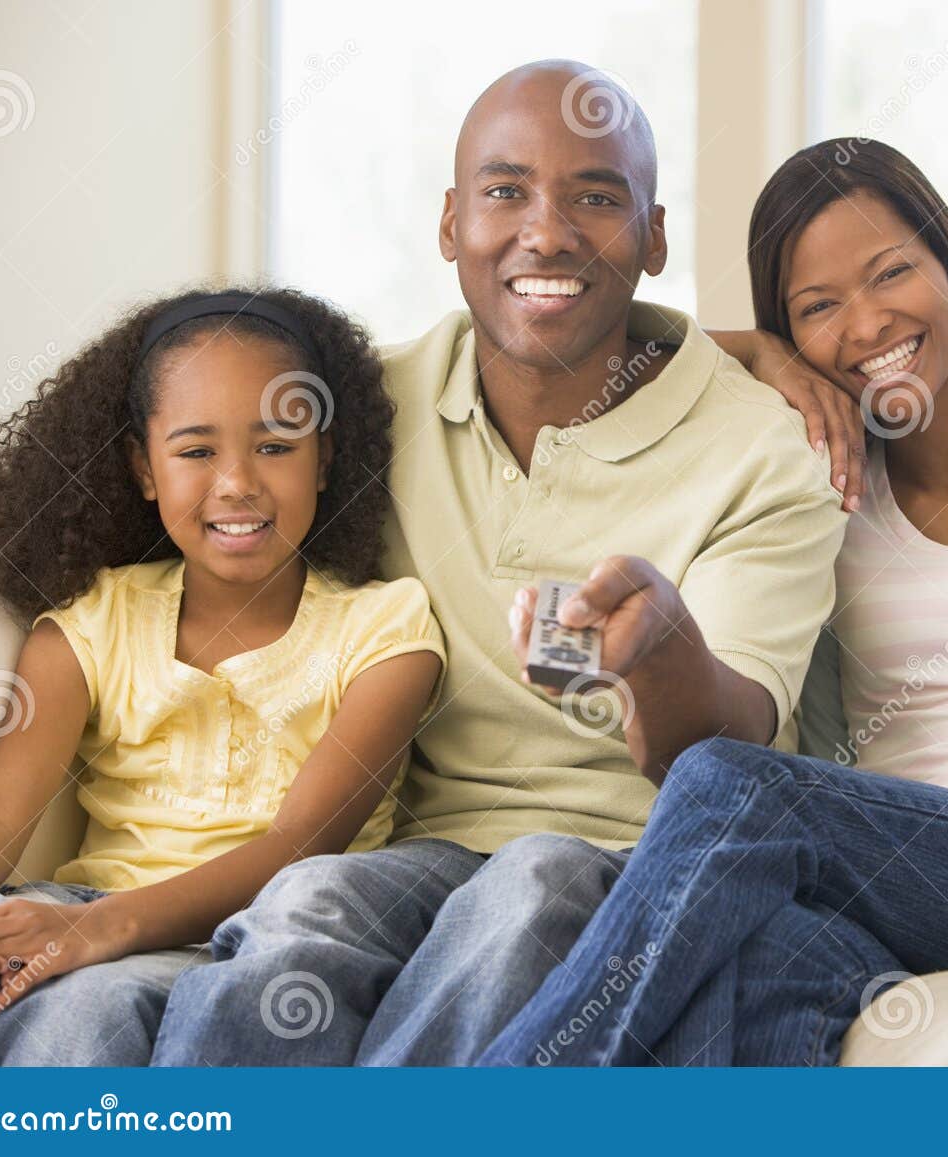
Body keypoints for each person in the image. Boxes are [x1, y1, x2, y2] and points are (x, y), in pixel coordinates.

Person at [145, 62, 849, 1066]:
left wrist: (660, 649)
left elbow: (733, 748)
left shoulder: (762, 453)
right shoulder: (365, 408)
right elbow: (172, 453)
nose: (548, 230)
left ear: (653, 239)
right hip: (423, 850)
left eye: (596, 197)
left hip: (631, 859)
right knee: (305, 897)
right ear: (450, 224)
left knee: (529, 889)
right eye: (506, 190)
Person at [477, 138, 948, 1066]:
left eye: (891, 274)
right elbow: (595, 349)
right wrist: (761, 356)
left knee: (728, 783)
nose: (867, 325)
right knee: (755, 967)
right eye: (818, 308)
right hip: (909, 895)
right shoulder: (821, 490)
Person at [0, 288, 445, 1066]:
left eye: (277, 446)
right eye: (195, 451)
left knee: (95, 1011)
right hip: (77, 922)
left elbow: (301, 842)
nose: (237, 483)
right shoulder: (93, 622)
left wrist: (99, 928)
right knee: (37, 986)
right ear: (145, 469)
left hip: (259, 945)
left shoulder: (386, 630)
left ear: (326, 460)